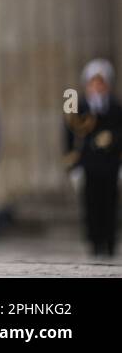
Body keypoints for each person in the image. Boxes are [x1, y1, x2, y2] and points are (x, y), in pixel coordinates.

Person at [64, 59, 119, 257]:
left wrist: (112, 139)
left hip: (110, 163)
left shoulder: (114, 106)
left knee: (110, 205)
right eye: (93, 83)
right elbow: (69, 135)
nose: (97, 87)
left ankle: (110, 242)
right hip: (89, 164)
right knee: (91, 204)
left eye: (100, 83)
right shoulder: (78, 106)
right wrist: (72, 165)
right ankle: (95, 242)